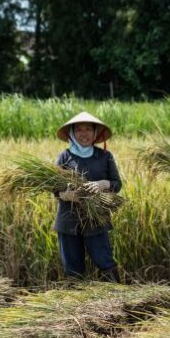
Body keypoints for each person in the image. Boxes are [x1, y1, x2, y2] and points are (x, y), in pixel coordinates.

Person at [54, 112, 122, 281]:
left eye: (88, 129)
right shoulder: (64, 157)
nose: (83, 134)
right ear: (72, 133)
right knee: (73, 269)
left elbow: (116, 183)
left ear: (95, 132)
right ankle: (76, 305)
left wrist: (103, 184)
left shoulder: (105, 156)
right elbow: (53, 186)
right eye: (78, 130)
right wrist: (66, 195)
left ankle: (118, 301)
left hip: (96, 218)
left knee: (104, 261)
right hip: (69, 220)